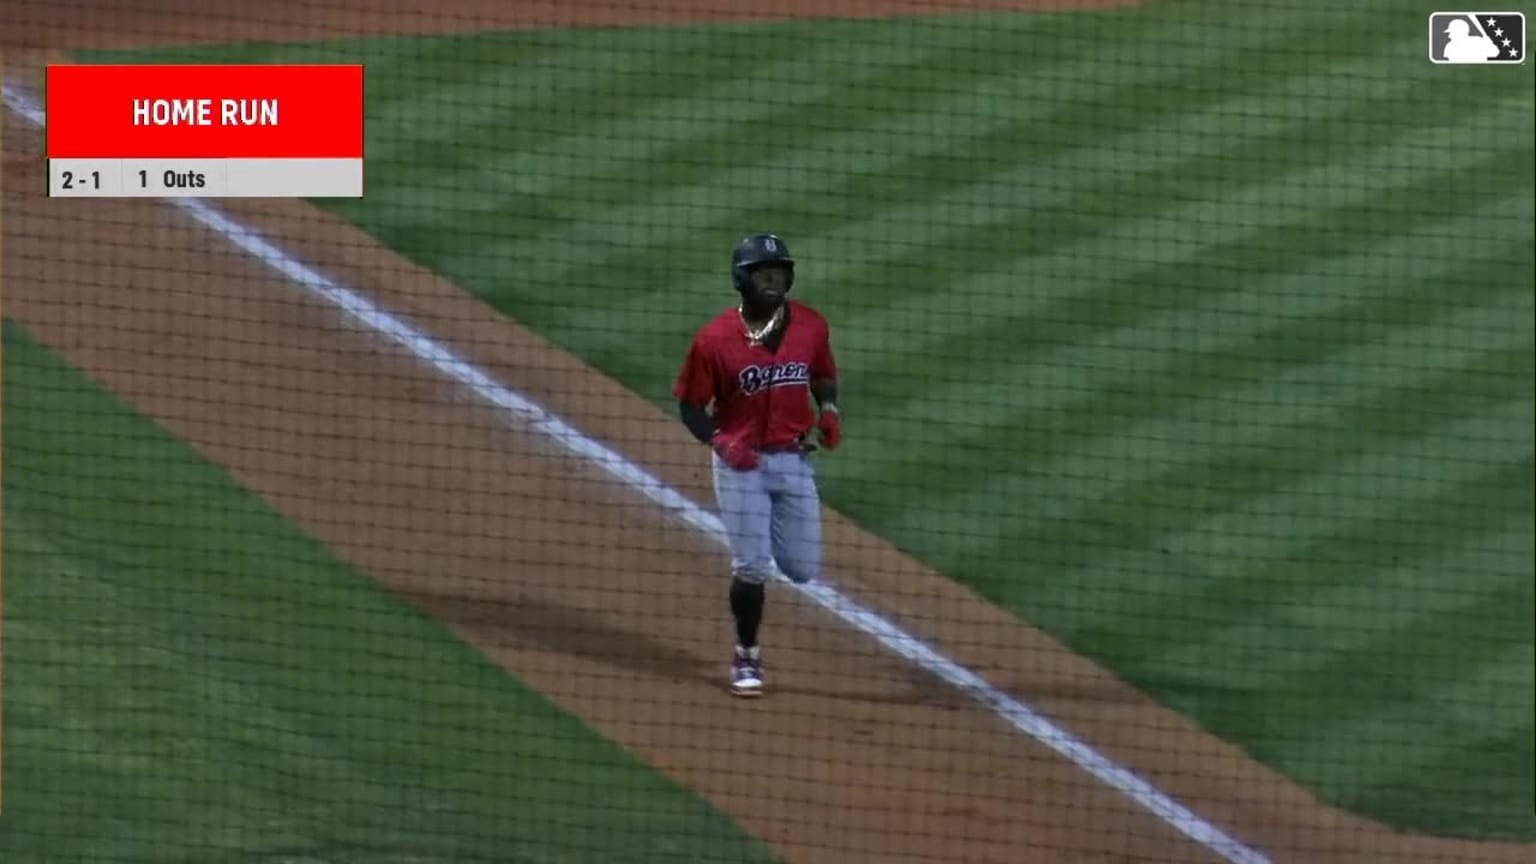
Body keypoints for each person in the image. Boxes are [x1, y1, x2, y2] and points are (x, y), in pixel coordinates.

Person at [672, 233, 842, 697]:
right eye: (762, 273)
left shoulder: (810, 326)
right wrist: (719, 440)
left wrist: (829, 410)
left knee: (802, 568)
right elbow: (690, 406)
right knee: (751, 565)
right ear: (741, 279)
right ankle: (746, 654)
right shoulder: (713, 340)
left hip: (793, 461)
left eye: (779, 272)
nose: (773, 280)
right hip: (741, 466)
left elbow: (823, 373)